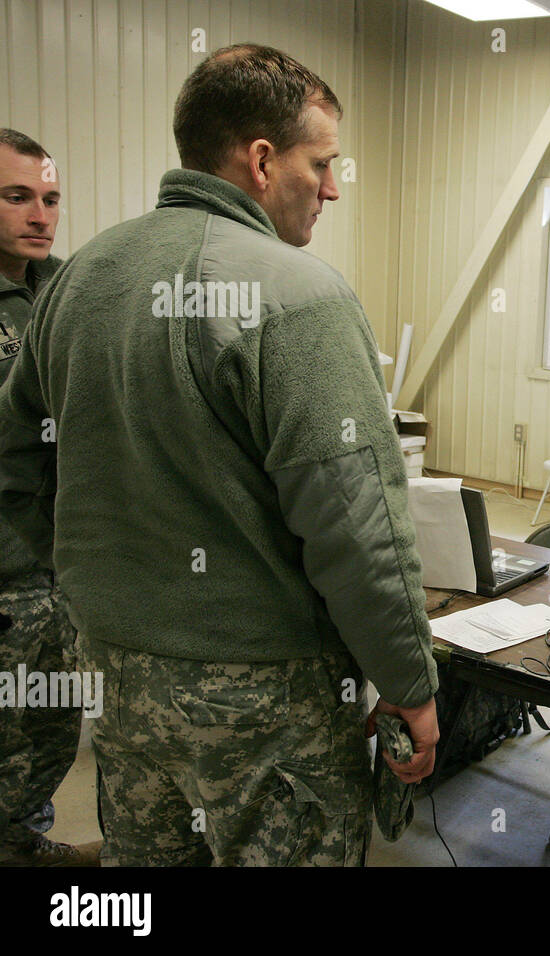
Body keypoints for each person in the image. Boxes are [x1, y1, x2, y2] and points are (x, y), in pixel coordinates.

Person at [0, 45, 440, 866]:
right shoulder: (300, 294)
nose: (335, 188)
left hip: (118, 682)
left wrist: (81, 597)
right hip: (264, 697)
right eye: (324, 162)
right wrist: (410, 683)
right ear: (264, 161)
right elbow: (357, 529)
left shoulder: (80, 279)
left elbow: (17, 458)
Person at [0, 129, 97, 867]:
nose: (41, 215)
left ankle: (21, 839)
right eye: (18, 197)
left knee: (52, 721)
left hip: (60, 558)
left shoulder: (63, 289)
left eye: (52, 199)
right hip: (8, 562)